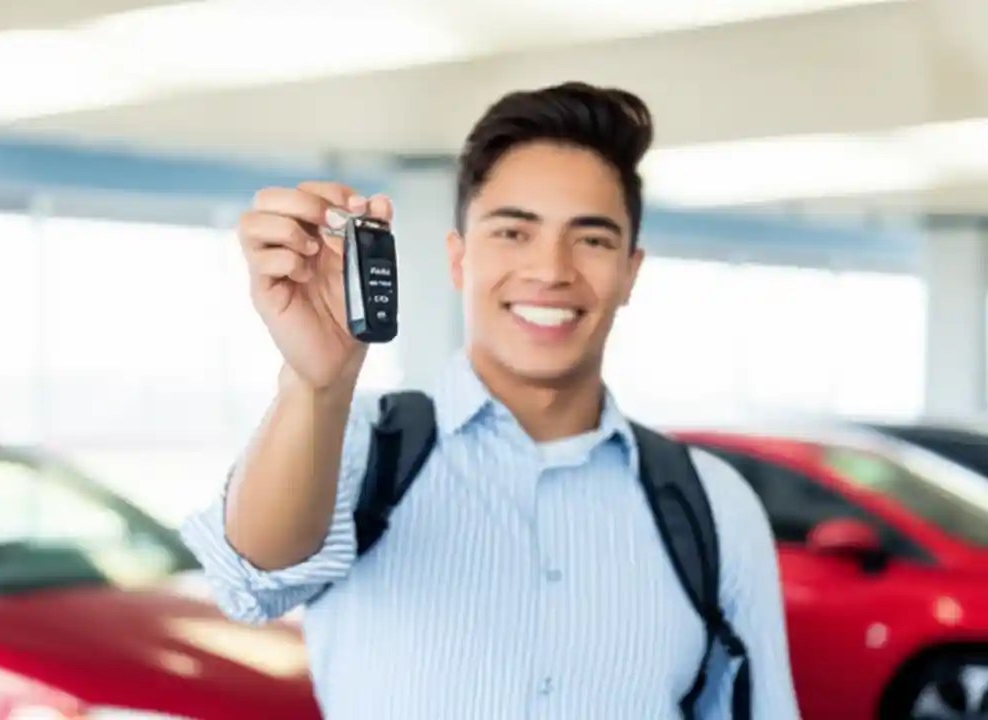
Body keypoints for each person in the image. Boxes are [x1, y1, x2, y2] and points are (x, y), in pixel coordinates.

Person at [180, 81, 801, 719]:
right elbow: (250, 580)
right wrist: (317, 382)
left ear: (630, 272)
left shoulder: (714, 507)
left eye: (591, 239)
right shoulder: (360, 444)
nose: (551, 269)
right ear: (458, 259)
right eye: (513, 232)